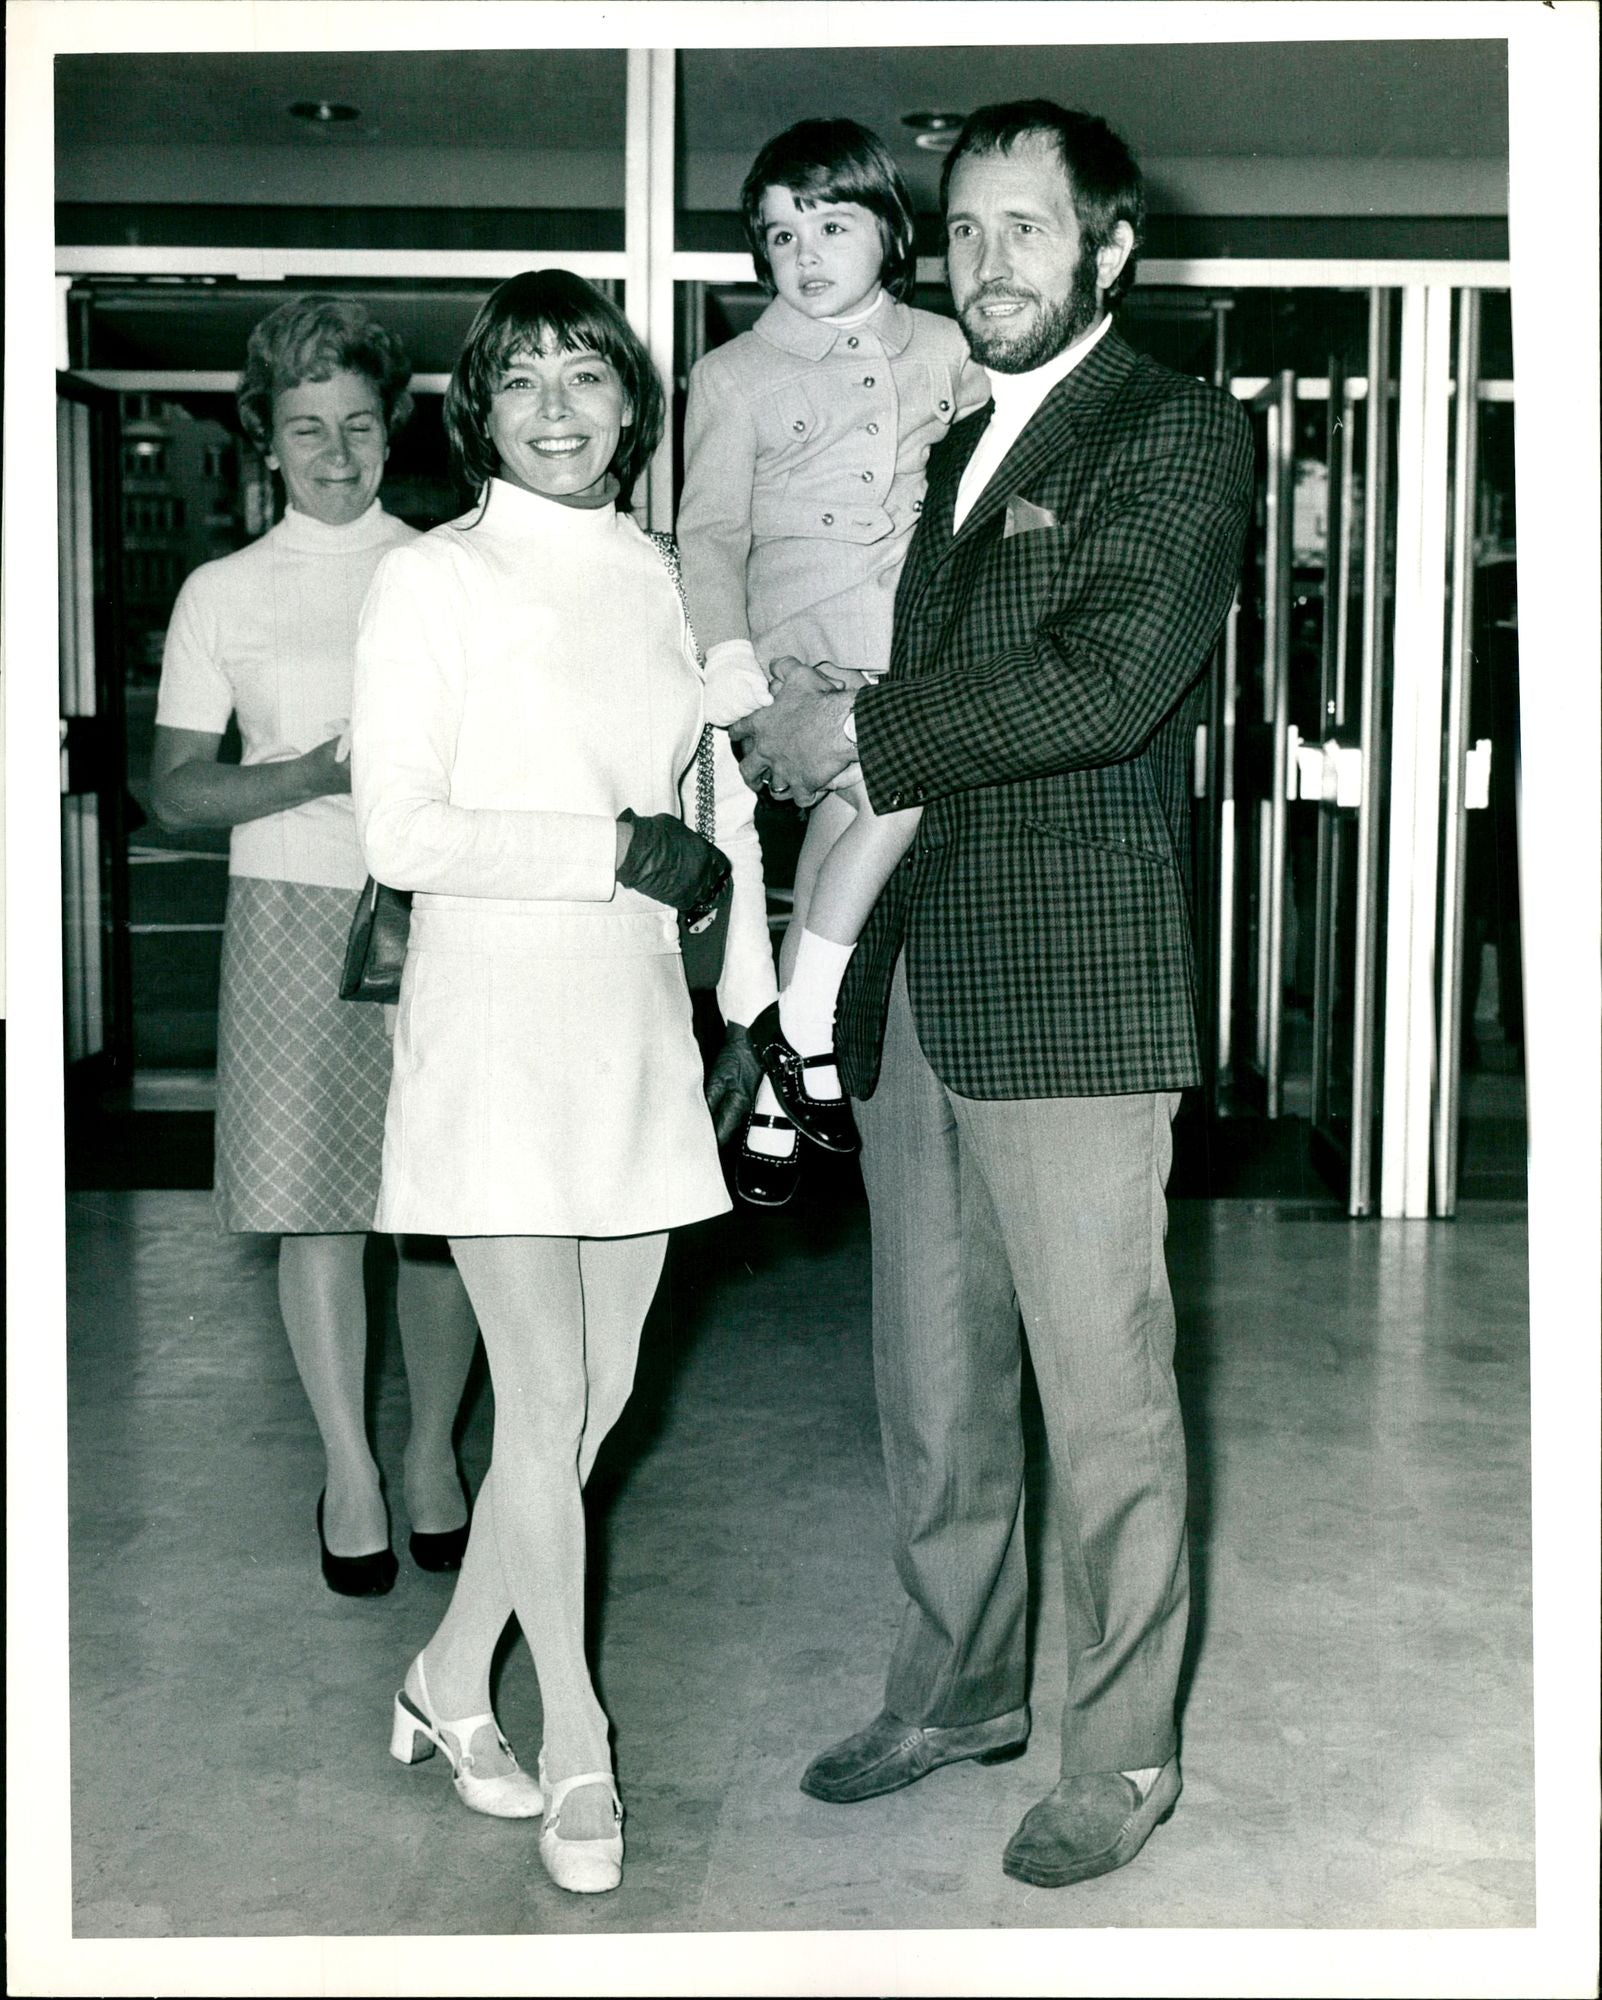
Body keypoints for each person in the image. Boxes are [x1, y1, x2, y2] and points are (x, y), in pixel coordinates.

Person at [734, 101, 1253, 1888]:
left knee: (1103, 1399)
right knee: (932, 1390)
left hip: (1077, 992)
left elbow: (1101, 679)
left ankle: (1122, 1758)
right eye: (962, 235)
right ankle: (952, 1688)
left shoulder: (1174, 428)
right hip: (920, 988)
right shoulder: (962, 442)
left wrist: (850, 732)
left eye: (1026, 230)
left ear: (1110, 247)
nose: (987, 266)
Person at [351, 270, 774, 1895]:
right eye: (519, 379)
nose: (553, 406)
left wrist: (751, 1012)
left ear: (629, 405)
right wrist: (609, 852)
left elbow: (716, 806)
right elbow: (404, 832)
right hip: (494, 1032)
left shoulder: (667, 582)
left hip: (632, 1044)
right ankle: (579, 1740)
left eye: (584, 376)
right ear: (478, 409)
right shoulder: (431, 584)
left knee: (589, 1409)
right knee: (540, 1408)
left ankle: (449, 1678)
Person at [151, 296, 481, 1597]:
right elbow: (176, 789)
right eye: (306, 428)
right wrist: (310, 774)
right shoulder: (220, 591)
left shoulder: (446, 566)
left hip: (445, 913)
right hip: (291, 916)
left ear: (390, 427)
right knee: (317, 1209)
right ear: (264, 437)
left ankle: (435, 1451)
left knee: (442, 1212)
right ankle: (350, 1464)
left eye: (356, 424)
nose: (335, 454)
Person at [678, 118, 988, 1205]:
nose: (802, 253)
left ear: (890, 234)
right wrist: (727, 657)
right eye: (777, 235)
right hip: (803, 638)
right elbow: (710, 532)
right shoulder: (733, 373)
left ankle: (774, 1079)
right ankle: (804, 1023)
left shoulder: (951, 347)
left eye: (830, 224)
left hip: (909, 627)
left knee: (842, 825)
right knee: (895, 788)